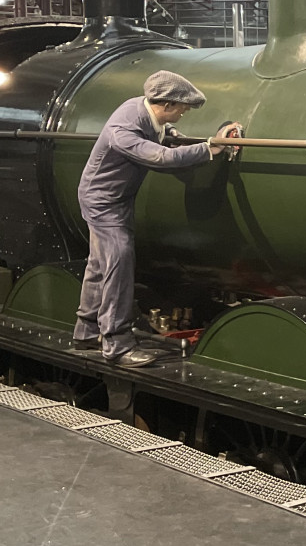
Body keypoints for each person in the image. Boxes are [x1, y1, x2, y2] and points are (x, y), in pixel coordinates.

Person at [73, 71, 232, 367]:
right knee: (119, 262)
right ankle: (117, 346)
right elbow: (160, 158)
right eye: (182, 108)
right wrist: (210, 148)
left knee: (99, 264)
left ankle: (86, 332)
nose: (184, 112)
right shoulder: (125, 126)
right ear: (167, 104)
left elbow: (161, 138)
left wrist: (177, 138)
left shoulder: (143, 111)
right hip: (102, 202)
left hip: (117, 198)